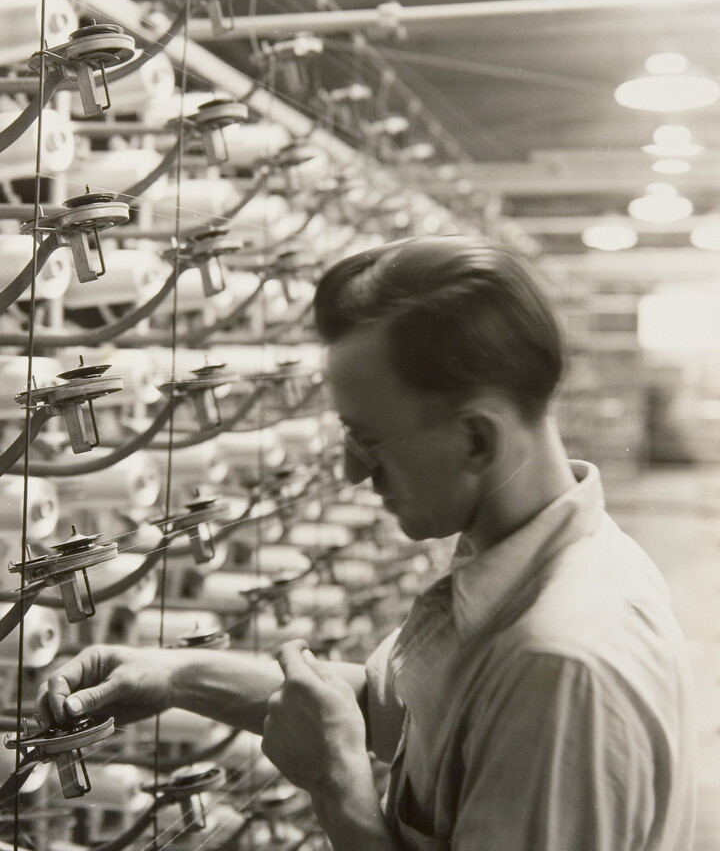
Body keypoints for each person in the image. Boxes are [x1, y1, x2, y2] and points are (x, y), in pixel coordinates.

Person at [36, 235, 696, 850]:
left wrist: (338, 790)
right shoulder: (541, 568)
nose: (353, 472)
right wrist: (175, 676)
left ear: (475, 439)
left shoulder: (556, 670)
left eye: (369, 439)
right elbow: (390, 708)